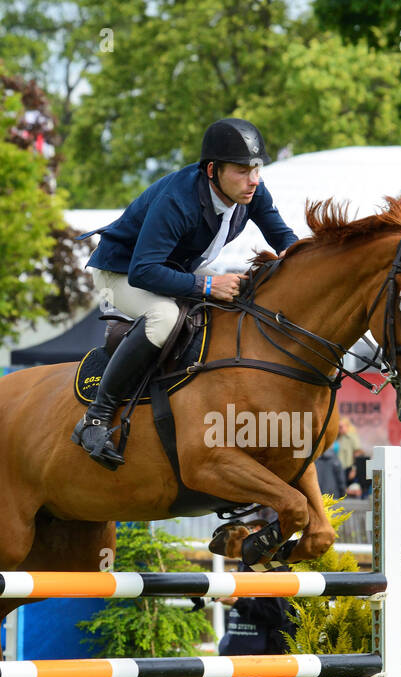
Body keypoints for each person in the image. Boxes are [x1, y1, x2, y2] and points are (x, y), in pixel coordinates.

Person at [72, 118, 299, 470]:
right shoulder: (178, 200)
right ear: (212, 170)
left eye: (257, 168)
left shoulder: (252, 192)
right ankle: (96, 417)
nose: (253, 179)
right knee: (164, 317)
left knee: (242, 298)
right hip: (121, 272)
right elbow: (144, 271)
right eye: (242, 170)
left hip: (175, 269)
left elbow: (285, 240)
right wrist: (208, 285)